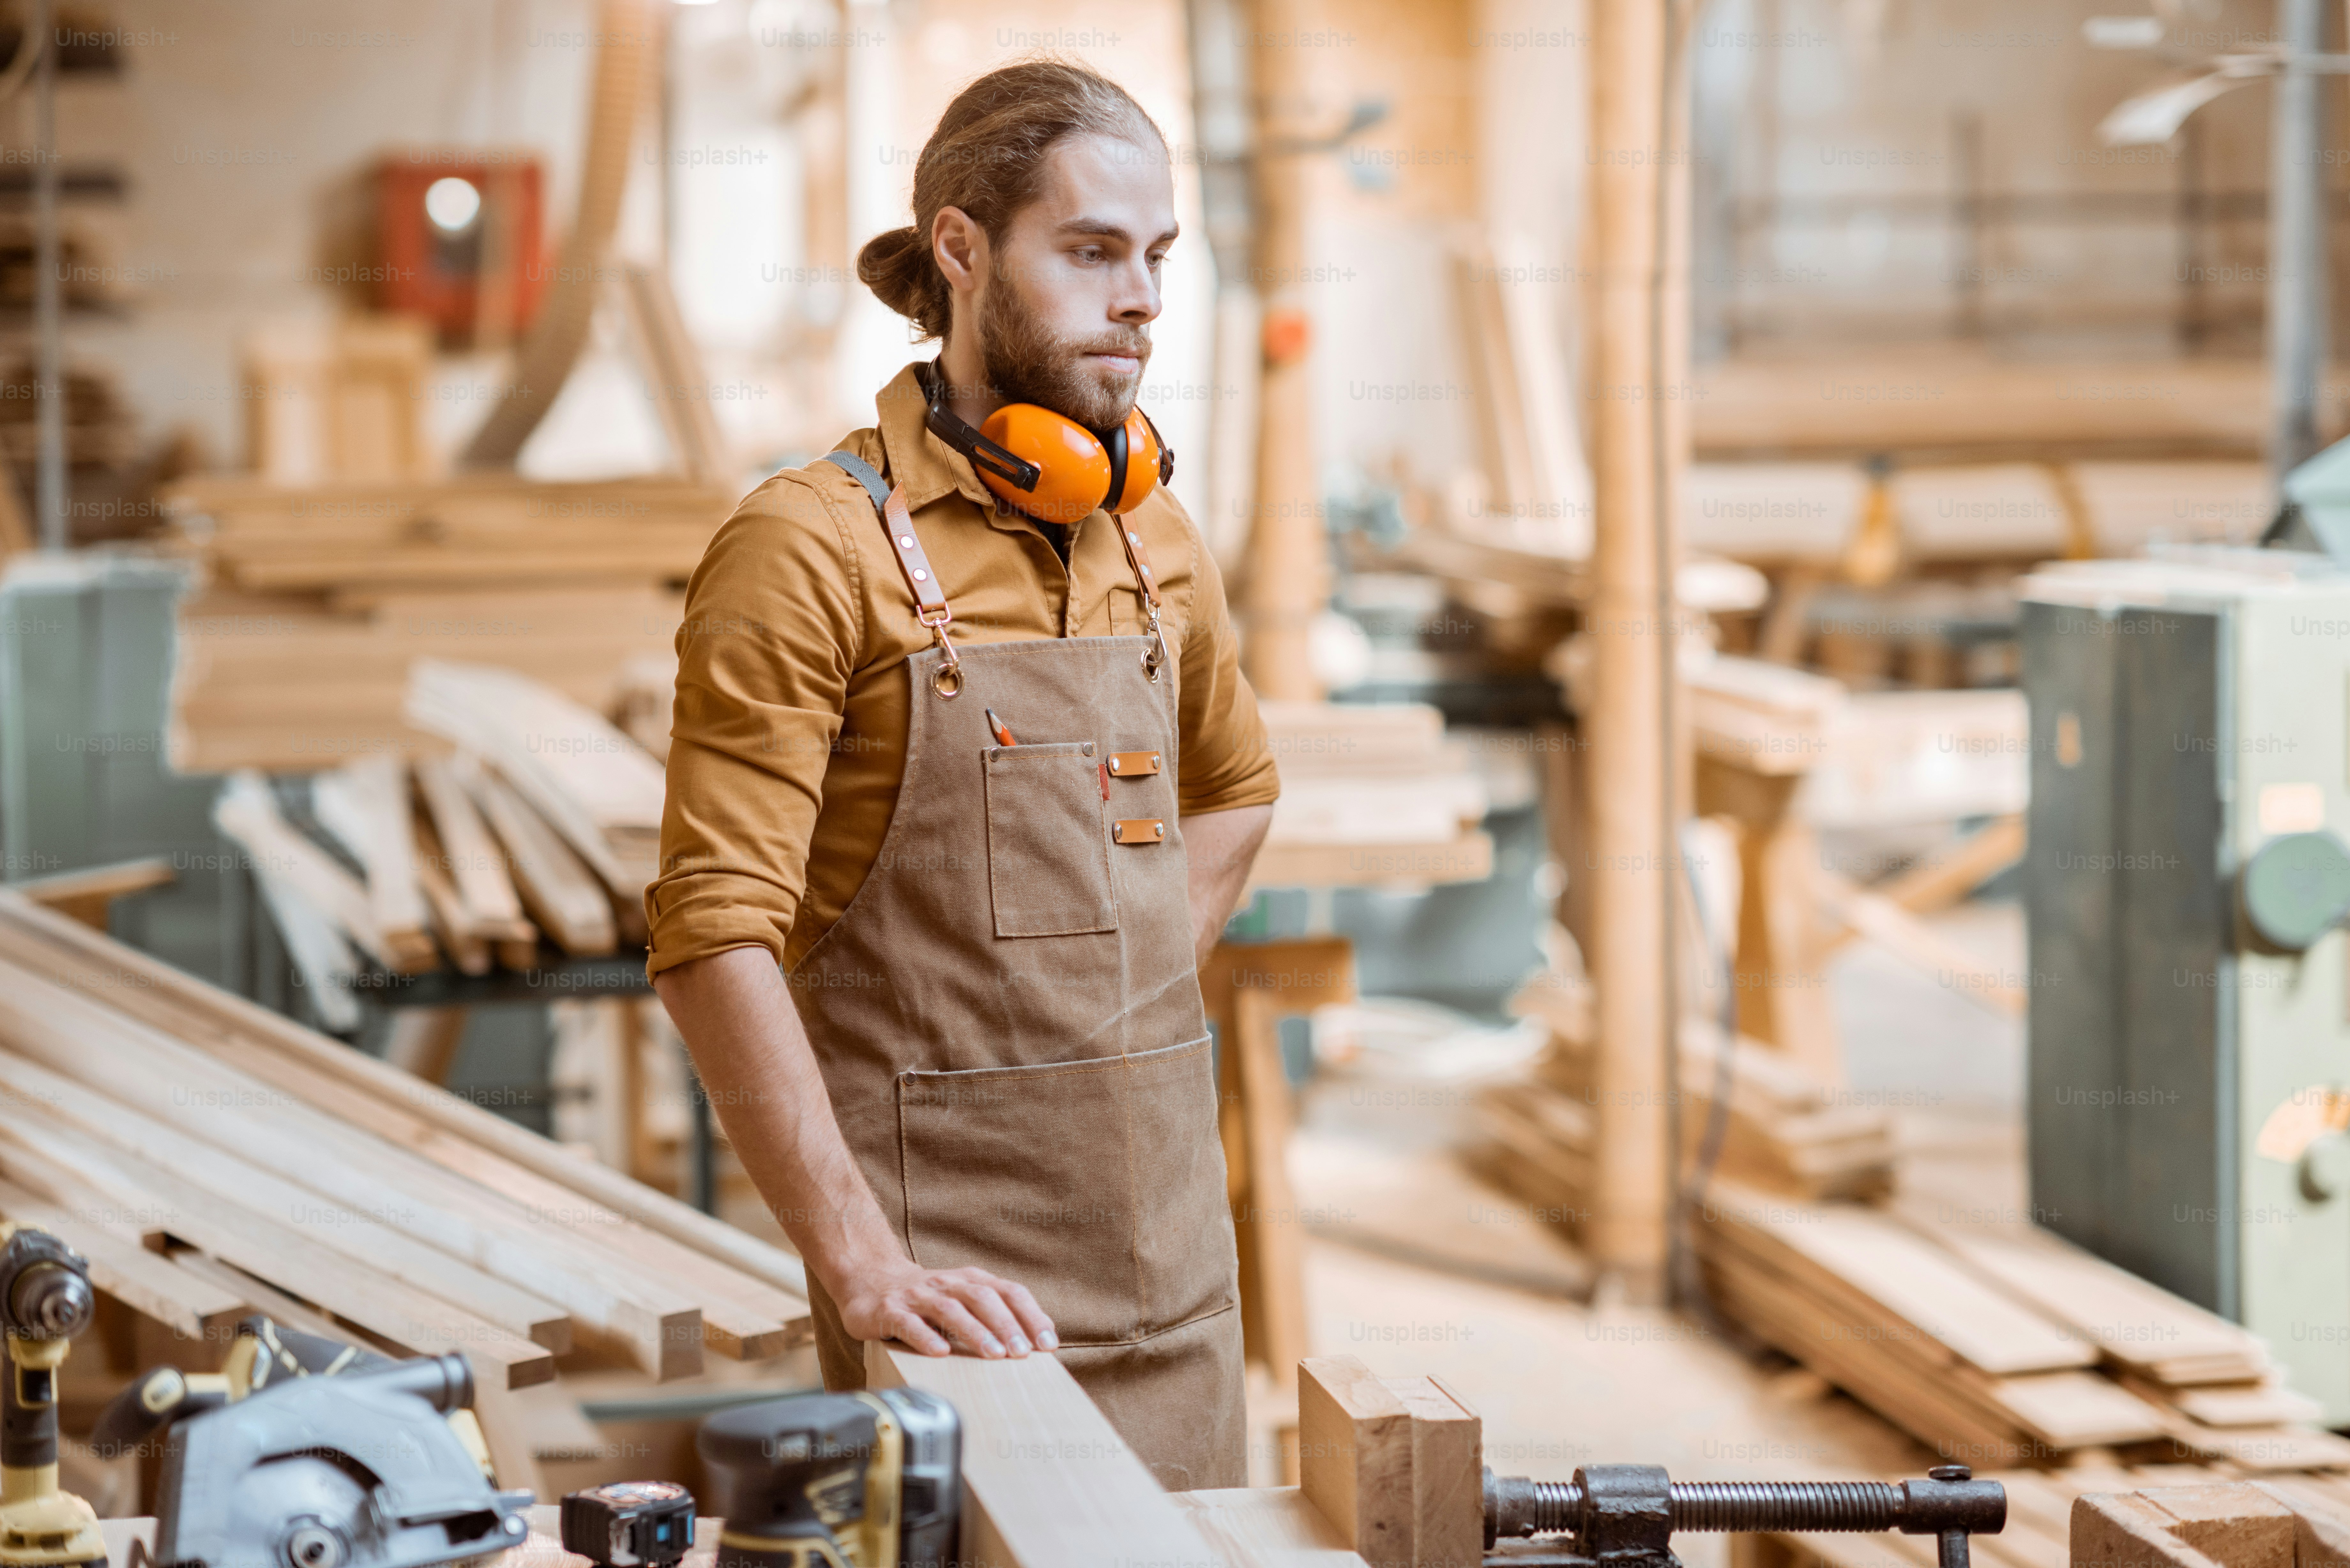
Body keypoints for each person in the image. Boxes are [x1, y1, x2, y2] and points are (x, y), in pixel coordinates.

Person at [645, 57, 1280, 1490]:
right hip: (946, 1297)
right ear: (961, 249)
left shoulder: (1153, 538)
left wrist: (1119, 993)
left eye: (1158, 258)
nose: (1142, 300)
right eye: (1092, 251)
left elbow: (1237, 786)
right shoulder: (811, 548)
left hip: (1176, 1272)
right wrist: (860, 1259)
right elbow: (710, 933)